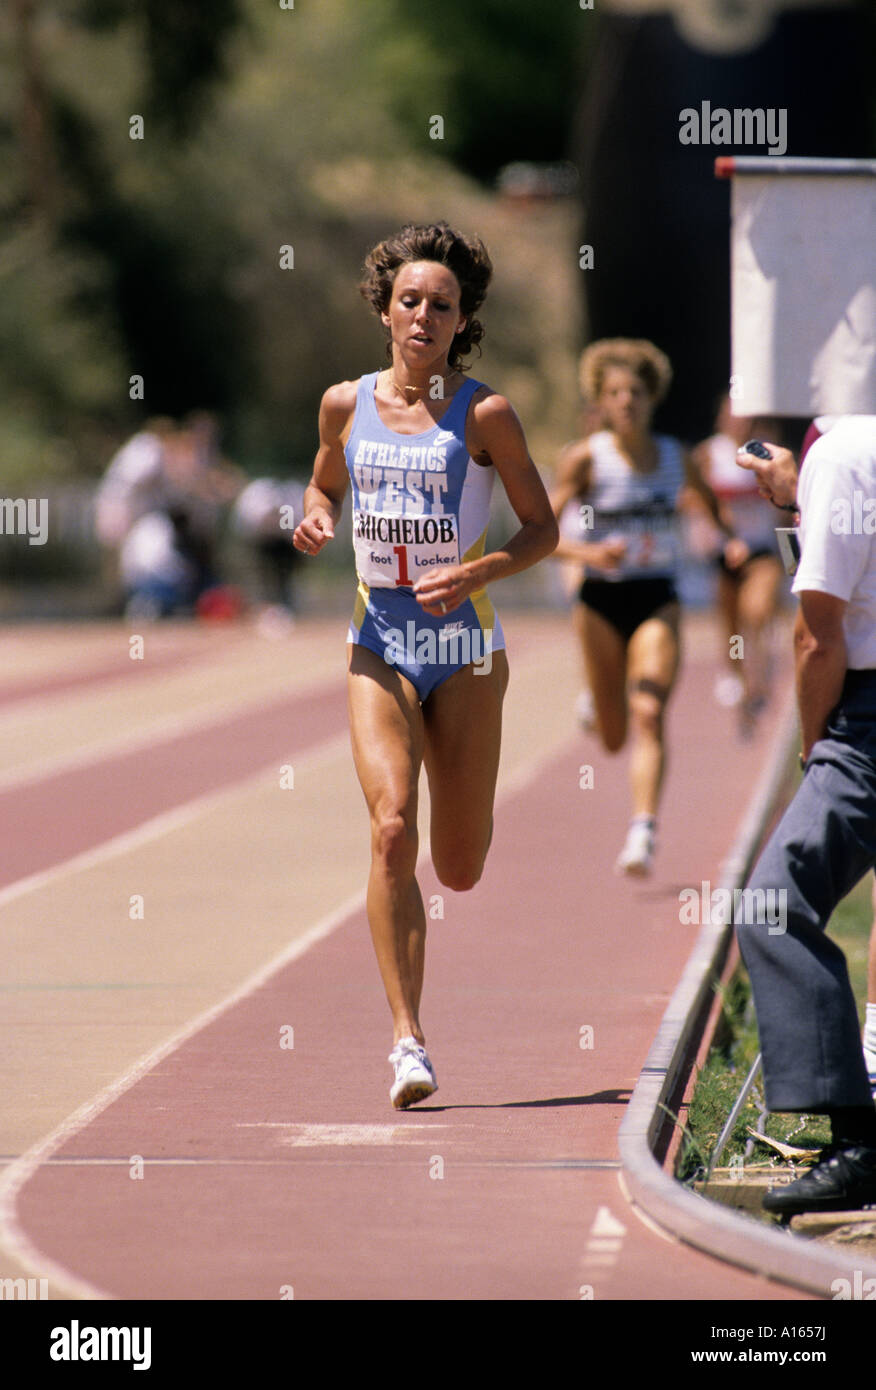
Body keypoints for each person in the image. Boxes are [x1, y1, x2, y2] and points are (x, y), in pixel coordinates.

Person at [292, 222, 558, 1108]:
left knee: (460, 865)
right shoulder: (344, 403)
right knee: (391, 828)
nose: (423, 316)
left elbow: (543, 527)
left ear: (461, 321)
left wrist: (481, 568)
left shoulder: (484, 414)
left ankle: (463, 847)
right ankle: (408, 1042)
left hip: (467, 653)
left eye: (442, 306)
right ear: (384, 308)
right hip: (381, 640)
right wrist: (318, 516)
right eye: (410, 300)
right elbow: (324, 482)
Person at [735, 416, 876, 1215]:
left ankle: (858, 1146)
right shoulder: (838, 459)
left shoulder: (844, 453)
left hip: (866, 720)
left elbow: (818, 635)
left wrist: (815, 745)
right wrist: (802, 495)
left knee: (772, 903)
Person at [549, 339, 745, 876]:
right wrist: (590, 551)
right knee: (614, 738)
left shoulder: (677, 458)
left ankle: (643, 831)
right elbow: (537, 535)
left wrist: (731, 544)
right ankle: (597, 697)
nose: (626, 401)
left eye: (635, 391)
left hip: (657, 594)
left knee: (649, 711)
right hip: (599, 601)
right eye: (614, 393)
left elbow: (711, 507)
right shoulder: (586, 458)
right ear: (602, 401)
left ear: (651, 396)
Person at [690, 395, 787, 735]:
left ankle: (760, 674)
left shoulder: (768, 453)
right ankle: (738, 678)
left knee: (755, 611)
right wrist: (714, 527)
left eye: (745, 416)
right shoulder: (708, 454)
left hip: (760, 553)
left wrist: (790, 558)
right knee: (732, 627)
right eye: (732, 416)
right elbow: (692, 499)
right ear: (722, 417)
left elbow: (787, 505)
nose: (738, 422)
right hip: (725, 554)